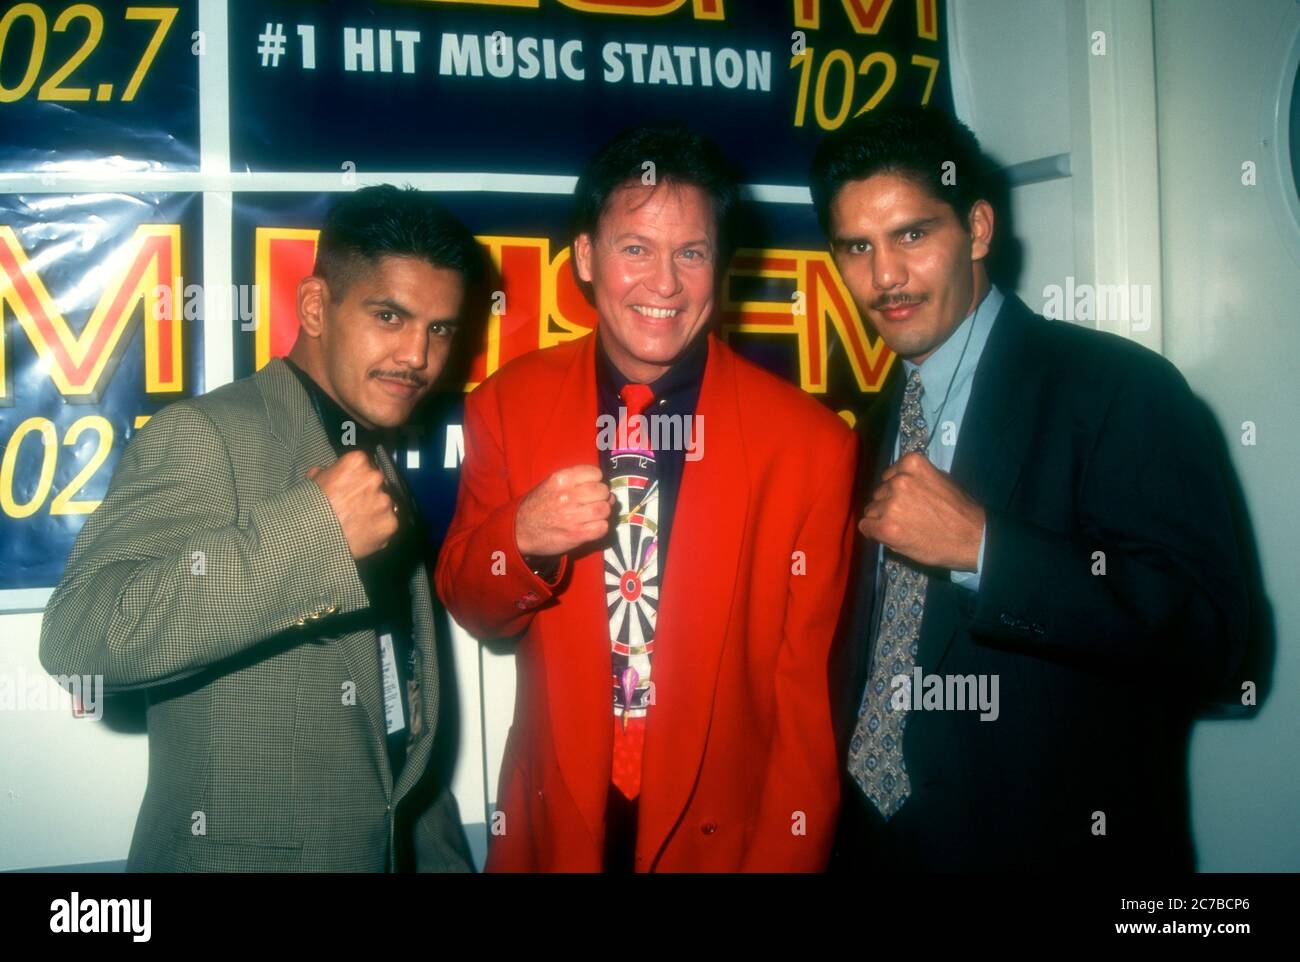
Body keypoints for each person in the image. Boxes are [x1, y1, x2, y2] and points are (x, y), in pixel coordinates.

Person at [815, 105, 1248, 871]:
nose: (885, 276)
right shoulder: (865, 428)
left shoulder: (1117, 388)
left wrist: (986, 548)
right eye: (858, 246)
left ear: (977, 230)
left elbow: (1217, 641)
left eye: (913, 234)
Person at [436, 124, 858, 872]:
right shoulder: (507, 405)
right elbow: (474, 607)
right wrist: (519, 539)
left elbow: (808, 714)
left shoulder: (811, 446)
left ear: (720, 265)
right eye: (636, 248)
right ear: (588, 258)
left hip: (724, 841)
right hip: (553, 824)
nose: (664, 284)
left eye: (691, 253)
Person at [40, 184, 480, 872]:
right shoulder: (206, 434)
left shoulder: (374, 461)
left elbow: (398, 712)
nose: (418, 357)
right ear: (313, 307)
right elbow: (80, 642)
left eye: (440, 329)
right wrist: (315, 536)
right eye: (389, 316)